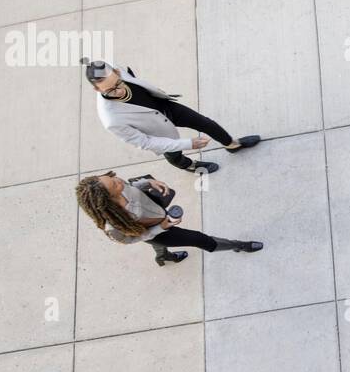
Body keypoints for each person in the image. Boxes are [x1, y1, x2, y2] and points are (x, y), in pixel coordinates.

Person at [84, 58, 260, 174]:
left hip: (166, 108)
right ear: (97, 90)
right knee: (175, 155)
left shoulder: (118, 69)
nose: (119, 90)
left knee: (207, 124)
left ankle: (231, 144)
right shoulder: (111, 119)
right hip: (157, 132)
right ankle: (191, 166)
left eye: (118, 83)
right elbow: (144, 142)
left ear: (117, 72)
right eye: (110, 90)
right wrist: (188, 143)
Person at [75, 172, 263, 267]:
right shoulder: (113, 226)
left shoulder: (116, 183)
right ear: (106, 198)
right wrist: (161, 227)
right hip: (155, 230)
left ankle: (163, 256)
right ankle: (238, 245)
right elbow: (131, 239)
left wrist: (149, 183)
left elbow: (131, 185)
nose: (118, 180)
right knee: (199, 239)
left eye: (112, 178)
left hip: (157, 211)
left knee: (155, 244)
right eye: (114, 184)